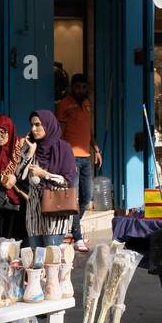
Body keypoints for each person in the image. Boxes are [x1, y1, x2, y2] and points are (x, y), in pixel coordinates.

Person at [20, 110, 78, 266]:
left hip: (55, 214)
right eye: (32, 125)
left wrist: (44, 174)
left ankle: (54, 289)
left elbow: (67, 181)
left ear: (48, 125)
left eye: (38, 125)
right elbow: (20, 175)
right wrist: (29, 153)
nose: (33, 129)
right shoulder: (30, 147)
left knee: (51, 261)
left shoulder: (64, 149)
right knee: (36, 261)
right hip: (34, 215)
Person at [56, 73, 102, 252]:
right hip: (71, 158)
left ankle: (71, 230)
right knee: (71, 198)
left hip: (86, 157)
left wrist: (95, 148)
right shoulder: (63, 105)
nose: (81, 90)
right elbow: (58, 132)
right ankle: (77, 236)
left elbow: (87, 129)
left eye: (84, 87)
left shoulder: (87, 104)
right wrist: (62, 156)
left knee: (86, 197)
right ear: (71, 87)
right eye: (77, 87)